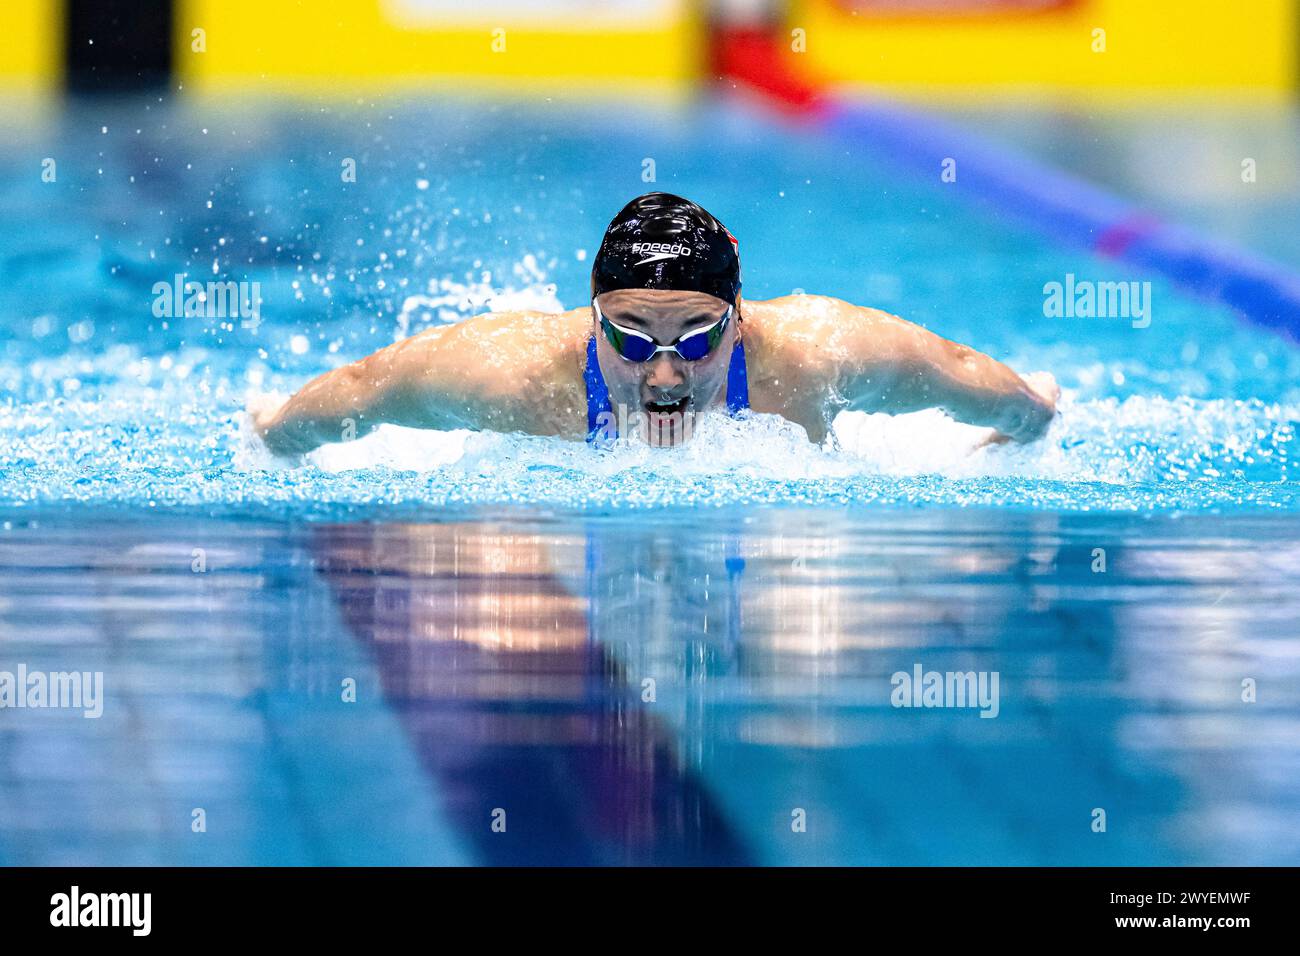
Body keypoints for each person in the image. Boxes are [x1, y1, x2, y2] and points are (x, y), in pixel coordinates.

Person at [252, 191, 1059, 455]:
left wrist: (1025, 426)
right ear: (592, 313)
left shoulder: (818, 354)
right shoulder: (508, 374)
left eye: (699, 337)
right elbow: (361, 390)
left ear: (739, 319)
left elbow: (966, 377)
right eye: (631, 337)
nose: (665, 374)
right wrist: (274, 437)